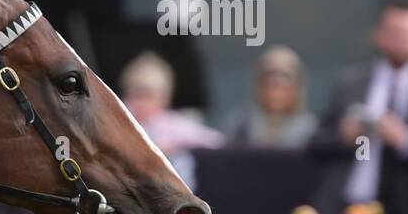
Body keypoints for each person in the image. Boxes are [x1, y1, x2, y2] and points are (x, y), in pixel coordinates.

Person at [309, 0, 408, 214]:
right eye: (394, 32)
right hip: (348, 209)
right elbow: (316, 143)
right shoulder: (351, 83)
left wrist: (404, 140)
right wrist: (344, 134)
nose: (402, 39)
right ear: (378, 34)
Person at [119, 51, 223, 187]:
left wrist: (174, 145)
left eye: (146, 93)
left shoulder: (174, 124)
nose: (139, 100)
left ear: (165, 98)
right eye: (134, 92)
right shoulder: (118, 120)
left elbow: (217, 142)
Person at [221, 46, 317, 148]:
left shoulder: (311, 130)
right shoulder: (239, 125)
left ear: (299, 84)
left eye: (285, 75)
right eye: (268, 74)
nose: (275, 81)